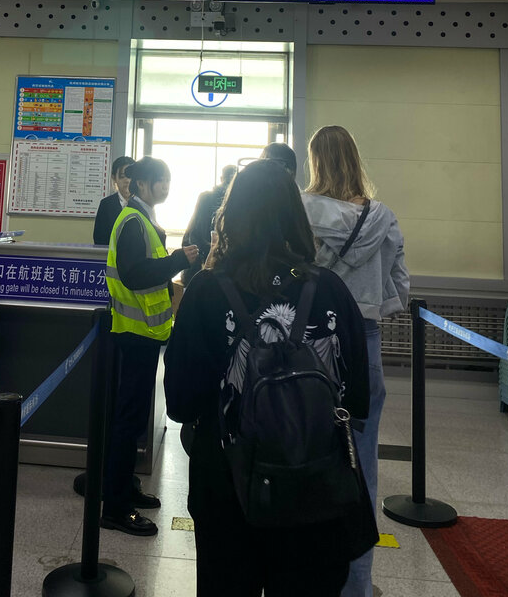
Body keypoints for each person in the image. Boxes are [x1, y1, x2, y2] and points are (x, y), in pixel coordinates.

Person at [164, 160, 370, 597]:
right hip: (317, 486)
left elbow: (179, 401)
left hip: (227, 488)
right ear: (296, 218)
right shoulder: (331, 289)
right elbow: (359, 400)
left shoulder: (206, 290)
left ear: (231, 216)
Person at [301, 125, 409, 597]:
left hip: (311, 341)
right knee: (360, 460)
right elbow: (400, 286)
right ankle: (357, 585)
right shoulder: (383, 217)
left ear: (316, 162)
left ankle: (306, 571)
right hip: (363, 340)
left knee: (303, 450)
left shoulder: (301, 211)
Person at [102, 156, 199, 536]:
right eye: (162, 181)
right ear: (143, 185)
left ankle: (125, 487)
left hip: (145, 334)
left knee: (133, 416)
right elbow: (134, 274)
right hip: (132, 333)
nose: (166, 187)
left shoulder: (143, 220)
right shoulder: (132, 222)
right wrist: (177, 260)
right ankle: (115, 507)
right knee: (127, 420)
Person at [181, 165, 236, 286]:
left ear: (221, 178)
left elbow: (195, 232)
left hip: (201, 264)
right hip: (218, 267)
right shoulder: (235, 202)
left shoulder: (206, 198)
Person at [93, 155, 135, 245]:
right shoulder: (106, 205)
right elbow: (99, 239)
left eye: (130, 176)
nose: (127, 180)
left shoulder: (142, 203)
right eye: (122, 176)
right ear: (114, 178)